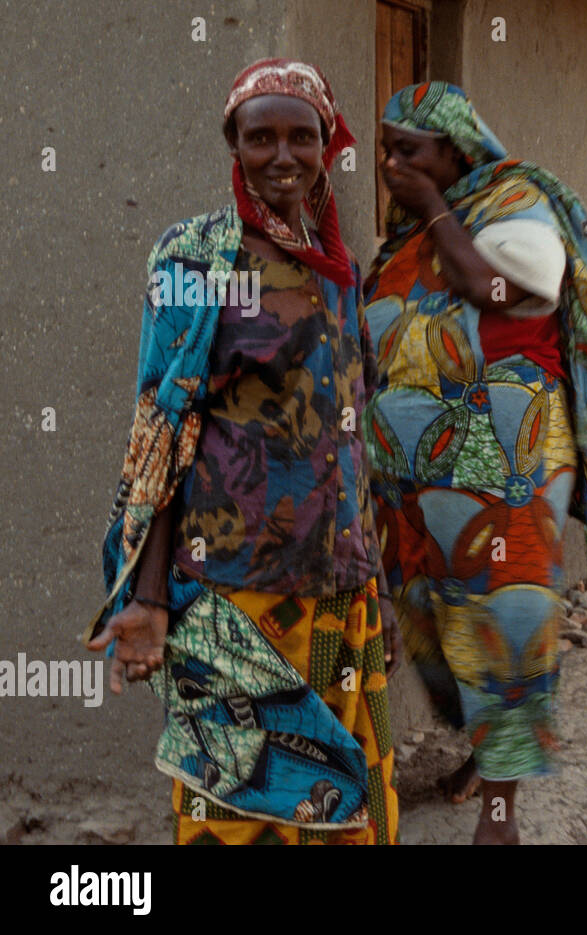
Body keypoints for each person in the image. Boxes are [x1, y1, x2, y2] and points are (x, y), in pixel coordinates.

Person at [84, 59, 400, 843]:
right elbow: (164, 436)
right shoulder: (196, 259)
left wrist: (380, 586)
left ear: (328, 146)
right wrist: (151, 600)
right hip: (235, 599)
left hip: (341, 591)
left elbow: (352, 438)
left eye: (303, 136)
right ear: (235, 143)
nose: (283, 155)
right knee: (241, 818)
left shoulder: (341, 272)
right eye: (262, 137)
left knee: (346, 810)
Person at [362, 82, 587, 844]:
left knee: (506, 622)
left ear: (457, 150)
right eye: (387, 148)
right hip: (417, 480)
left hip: (509, 465)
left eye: (410, 150)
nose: (393, 163)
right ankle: (487, 750)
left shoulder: (512, 204)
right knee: (431, 627)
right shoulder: (403, 237)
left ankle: (501, 809)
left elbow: (498, 287)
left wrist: (432, 205)